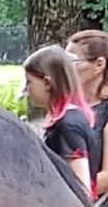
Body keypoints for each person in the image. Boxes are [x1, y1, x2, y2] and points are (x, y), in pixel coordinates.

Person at [23, 43, 95, 196]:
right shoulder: (61, 122)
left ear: (48, 83)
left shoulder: (68, 126)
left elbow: (82, 190)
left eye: (29, 82)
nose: (26, 90)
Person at [66, 28, 108, 195]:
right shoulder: (65, 106)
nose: (65, 69)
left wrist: (64, 194)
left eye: (72, 62)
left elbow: (106, 178)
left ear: (99, 65)